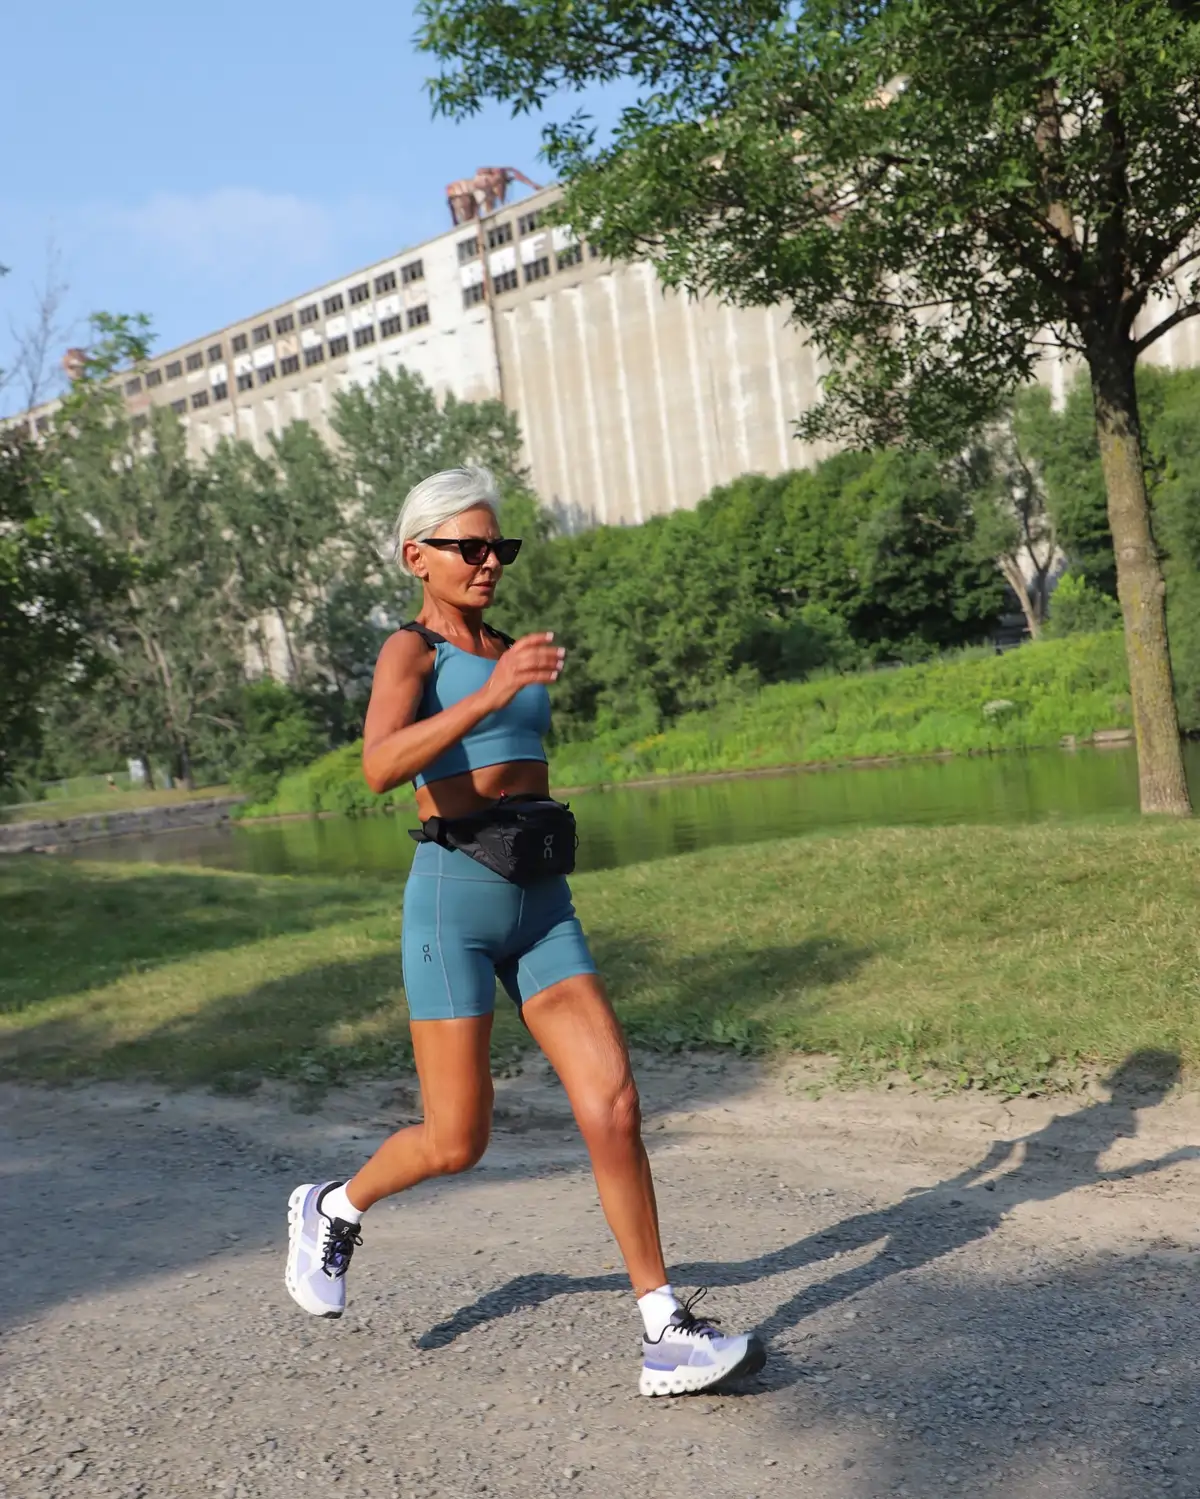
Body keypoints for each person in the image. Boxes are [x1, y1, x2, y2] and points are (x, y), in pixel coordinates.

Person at [285, 465, 765, 1397]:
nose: (489, 562)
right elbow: (380, 765)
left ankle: (664, 1327)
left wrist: (510, 684)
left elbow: (518, 765)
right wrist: (488, 691)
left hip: (539, 894)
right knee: (457, 1138)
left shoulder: (510, 646)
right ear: (416, 554)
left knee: (613, 1102)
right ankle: (333, 1205)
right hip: (451, 899)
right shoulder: (410, 652)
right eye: (470, 547)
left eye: (499, 546)